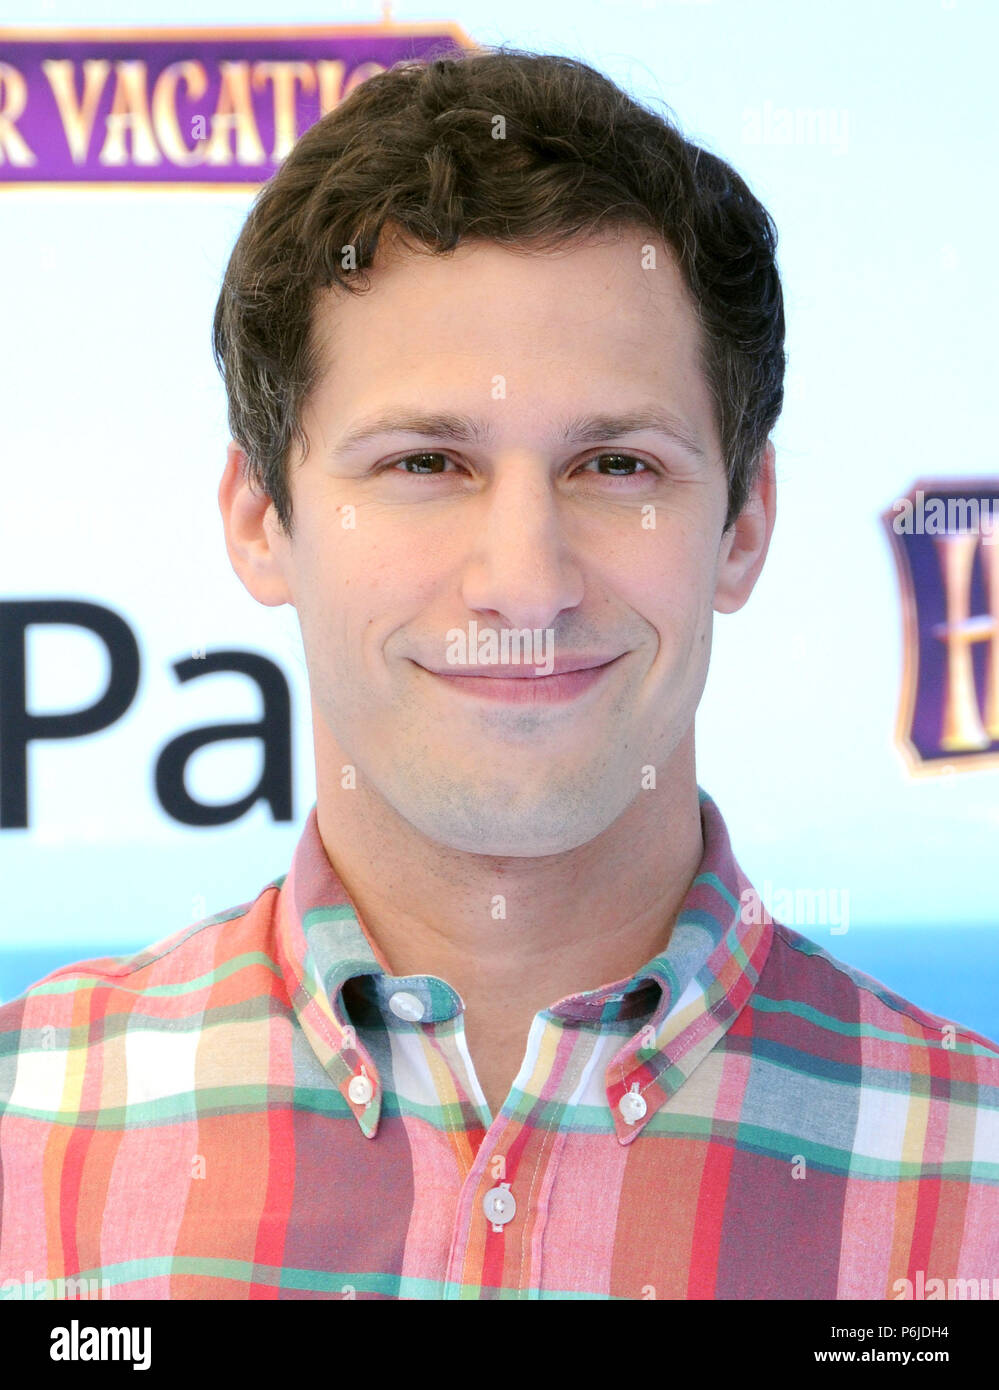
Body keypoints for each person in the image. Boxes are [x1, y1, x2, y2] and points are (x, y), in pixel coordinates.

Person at [1, 46, 996, 1303]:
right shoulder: (23, 1142)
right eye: (426, 463)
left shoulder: (976, 1176)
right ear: (261, 519)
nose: (525, 580)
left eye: (617, 465)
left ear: (743, 526)